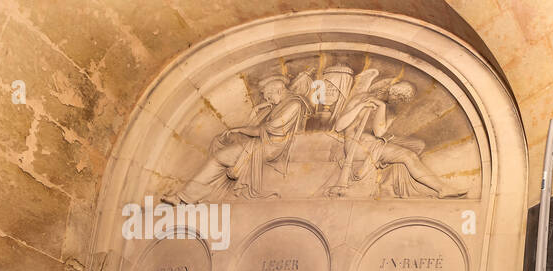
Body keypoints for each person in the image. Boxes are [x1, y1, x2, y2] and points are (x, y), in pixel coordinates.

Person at [165, 73, 311, 203]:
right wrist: (257, 109)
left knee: (219, 156)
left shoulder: (294, 104)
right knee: (219, 141)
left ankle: (184, 197)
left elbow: (267, 129)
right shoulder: (283, 104)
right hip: (263, 142)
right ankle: (206, 191)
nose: (269, 101)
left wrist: (241, 129)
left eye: (269, 96)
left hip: (271, 148)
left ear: (279, 90)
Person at [327, 79, 465, 198]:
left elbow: (379, 132)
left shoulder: (388, 108)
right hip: (356, 146)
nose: (397, 101)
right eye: (397, 97)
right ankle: (442, 189)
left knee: (418, 145)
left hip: (375, 144)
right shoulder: (361, 98)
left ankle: (415, 182)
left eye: (400, 99)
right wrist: (361, 106)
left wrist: (381, 106)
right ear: (391, 91)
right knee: (408, 155)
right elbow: (339, 126)